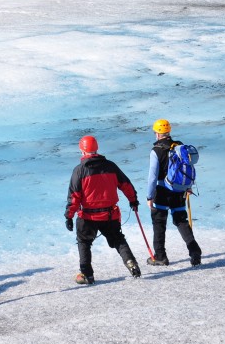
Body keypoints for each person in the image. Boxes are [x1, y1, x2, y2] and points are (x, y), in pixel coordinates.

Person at [65, 135, 142, 284]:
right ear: (97, 148)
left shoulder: (79, 170)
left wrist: (69, 216)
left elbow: (74, 197)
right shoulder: (111, 166)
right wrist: (133, 200)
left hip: (88, 217)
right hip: (110, 215)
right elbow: (126, 184)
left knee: (84, 242)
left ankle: (87, 274)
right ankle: (131, 262)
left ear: (82, 150)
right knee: (118, 239)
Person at [146, 119, 202, 267]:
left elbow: (152, 176)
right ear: (169, 131)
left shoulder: (156, 151)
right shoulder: (179, 146)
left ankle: (160, 256)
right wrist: (188, 187)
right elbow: (187, 168)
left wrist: (149, 196)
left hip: (162, 191)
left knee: (159, 223)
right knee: (181, 221)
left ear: (157, 134)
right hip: (179, 190)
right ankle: (194, 251)